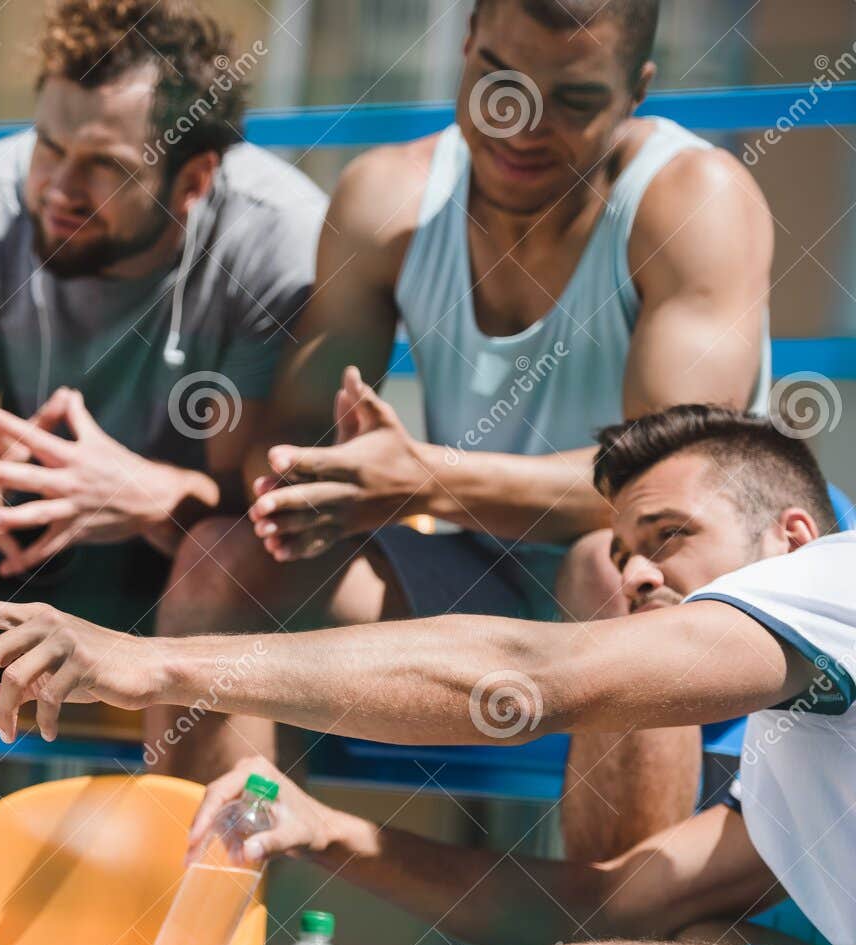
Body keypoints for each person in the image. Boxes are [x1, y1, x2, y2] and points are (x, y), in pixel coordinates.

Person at [0, 404, 856, 945]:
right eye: (623, 551)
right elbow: (605, 906)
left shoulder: (836, 582)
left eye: (668, 534)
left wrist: (158, 663)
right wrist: (330, 830)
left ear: (792, 535)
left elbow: (533, 677)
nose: (640, 574)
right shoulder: (792, 762)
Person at [149, 0, 774, 869]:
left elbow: (664, 493)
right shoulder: (387, 196)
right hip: (490, 569)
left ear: (637, 92)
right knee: (222, 568)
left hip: (682, 588)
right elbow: (284, 441)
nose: (523, 123)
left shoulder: (693, 200)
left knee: (620, 571)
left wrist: (420, 480)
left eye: (574, 97)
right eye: (497, 79)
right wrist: (320, 472)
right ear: (464, 49)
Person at [0, 0, 327, 633]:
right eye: (46, 147)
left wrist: (148, 496)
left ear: (194, 180)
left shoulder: (276, 240)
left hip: (182, 559)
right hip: (16, 546)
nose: (57, 190)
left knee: (220, 559)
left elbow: (264, 504)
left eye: (106, 165)